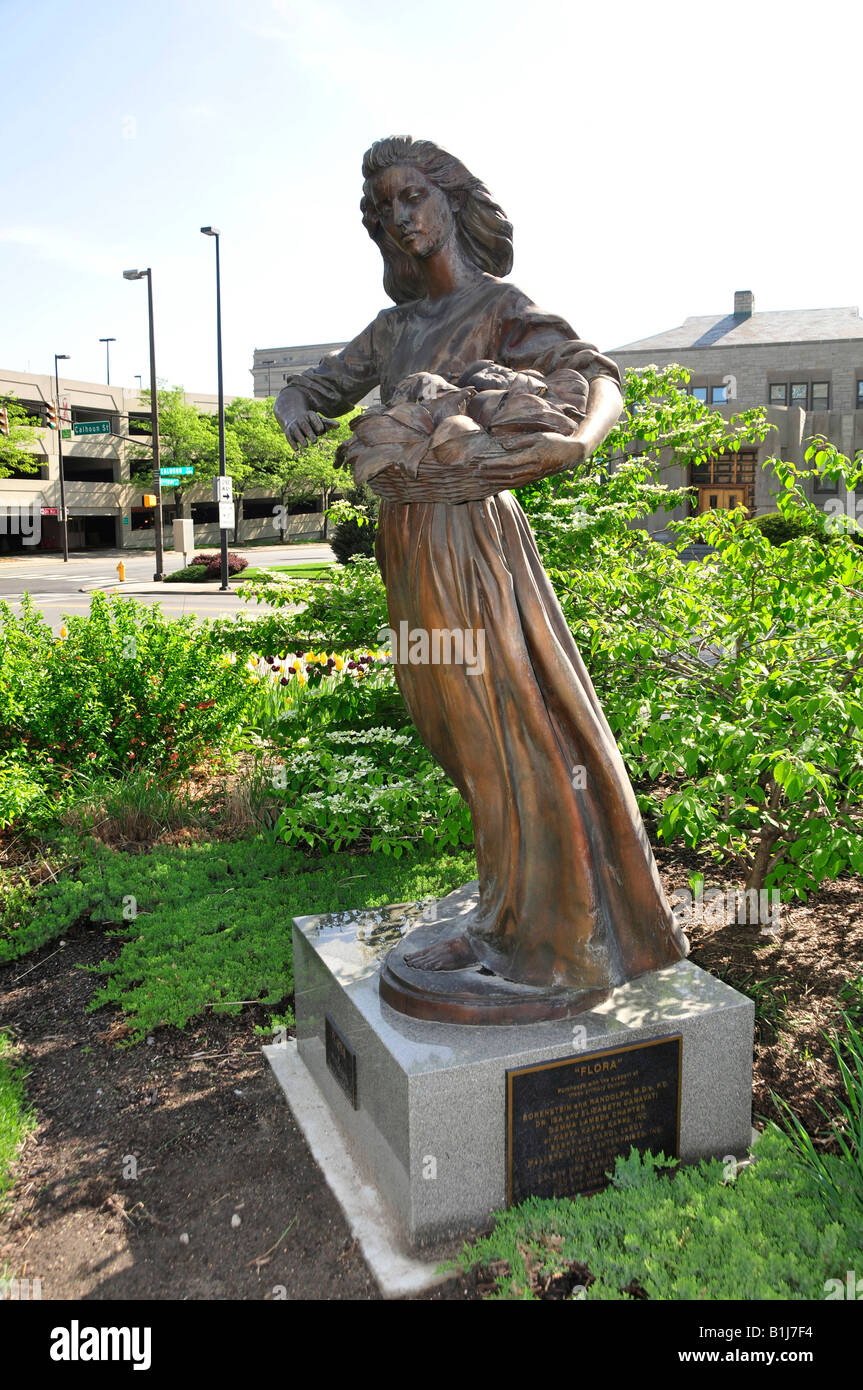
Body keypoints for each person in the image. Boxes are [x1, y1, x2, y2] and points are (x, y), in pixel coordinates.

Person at [274, 136, 687, 1015]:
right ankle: (507, 910)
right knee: (454, 732)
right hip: (409, 538)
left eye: (412, 194)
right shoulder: (393, 328)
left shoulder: (498, 306)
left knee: (506, 727)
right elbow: (317, 386)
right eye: (383, 206)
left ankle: (555, 947)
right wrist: (294, 403)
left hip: (474, 540)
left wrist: (576, 439)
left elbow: (593, 374)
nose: (398, 216)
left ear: (451, 201)